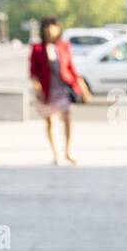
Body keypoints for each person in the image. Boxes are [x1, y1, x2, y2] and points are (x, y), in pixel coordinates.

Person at [28, 17, 91, 166]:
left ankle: (68, 151)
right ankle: (56, 152)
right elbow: (33, 72)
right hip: (46, 90)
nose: (50, 30)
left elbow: (71, 68)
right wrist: (38, 89)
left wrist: (83, 88)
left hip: (62, 88)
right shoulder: (37, 49)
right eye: (48, 27)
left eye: (53, 27)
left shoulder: (64, 46)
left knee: (67, 117)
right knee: (50, 120)